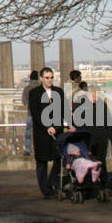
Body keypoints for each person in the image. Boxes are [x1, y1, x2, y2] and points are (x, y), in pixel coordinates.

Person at [26, 67, 71, 198]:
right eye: (47, 78)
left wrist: (70, 124)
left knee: (59, 158)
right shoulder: (34, 93)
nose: (50, 80)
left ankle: (52, 182)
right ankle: (45, 190)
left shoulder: (59, 91)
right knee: (42, 162)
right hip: (42, 133)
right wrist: (47, 127)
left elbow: (64, 110)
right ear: (41, 78)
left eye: (51, 77)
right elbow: (35, 113)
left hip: (57, 131)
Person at [83, 87, 112, 173]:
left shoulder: (102, 106)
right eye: (93, 96)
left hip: (101, 139)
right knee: (89, 161)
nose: (95, 98)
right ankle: (91, 181)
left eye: (97, 96)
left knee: (101, 161)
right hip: (88, 139)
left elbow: (109, 124)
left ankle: (102, 180)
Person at [23, 70, 40, 155]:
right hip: (41, 114)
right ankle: (39, 149)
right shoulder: (42, 88)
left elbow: (24, 102)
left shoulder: (27, 89)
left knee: (28, 132)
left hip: (30, 113)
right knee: (40, 133)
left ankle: (28, 149)